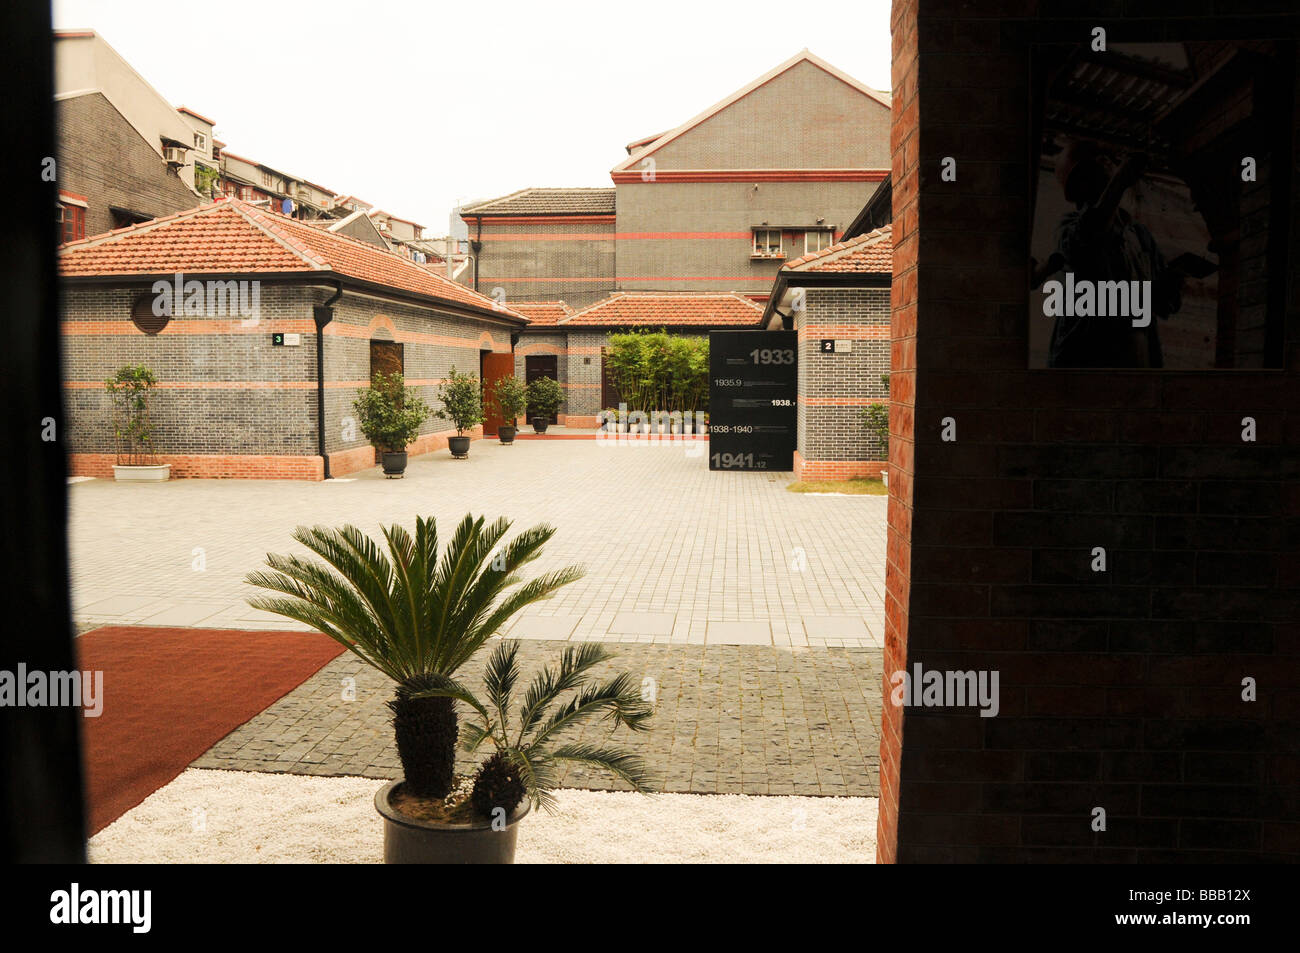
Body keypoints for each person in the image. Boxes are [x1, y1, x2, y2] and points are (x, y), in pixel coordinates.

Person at [1046, 139, 1183, 368]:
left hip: (1138, 361)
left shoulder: (1139, 235)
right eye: (1096, 162)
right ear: (1078, 186)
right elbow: (1087, 238)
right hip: (1089, 363)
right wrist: (1120, 182)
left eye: (1107, 159)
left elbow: (1164, 304)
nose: (1107, 164)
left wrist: (1170, 285)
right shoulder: (1067, 230)